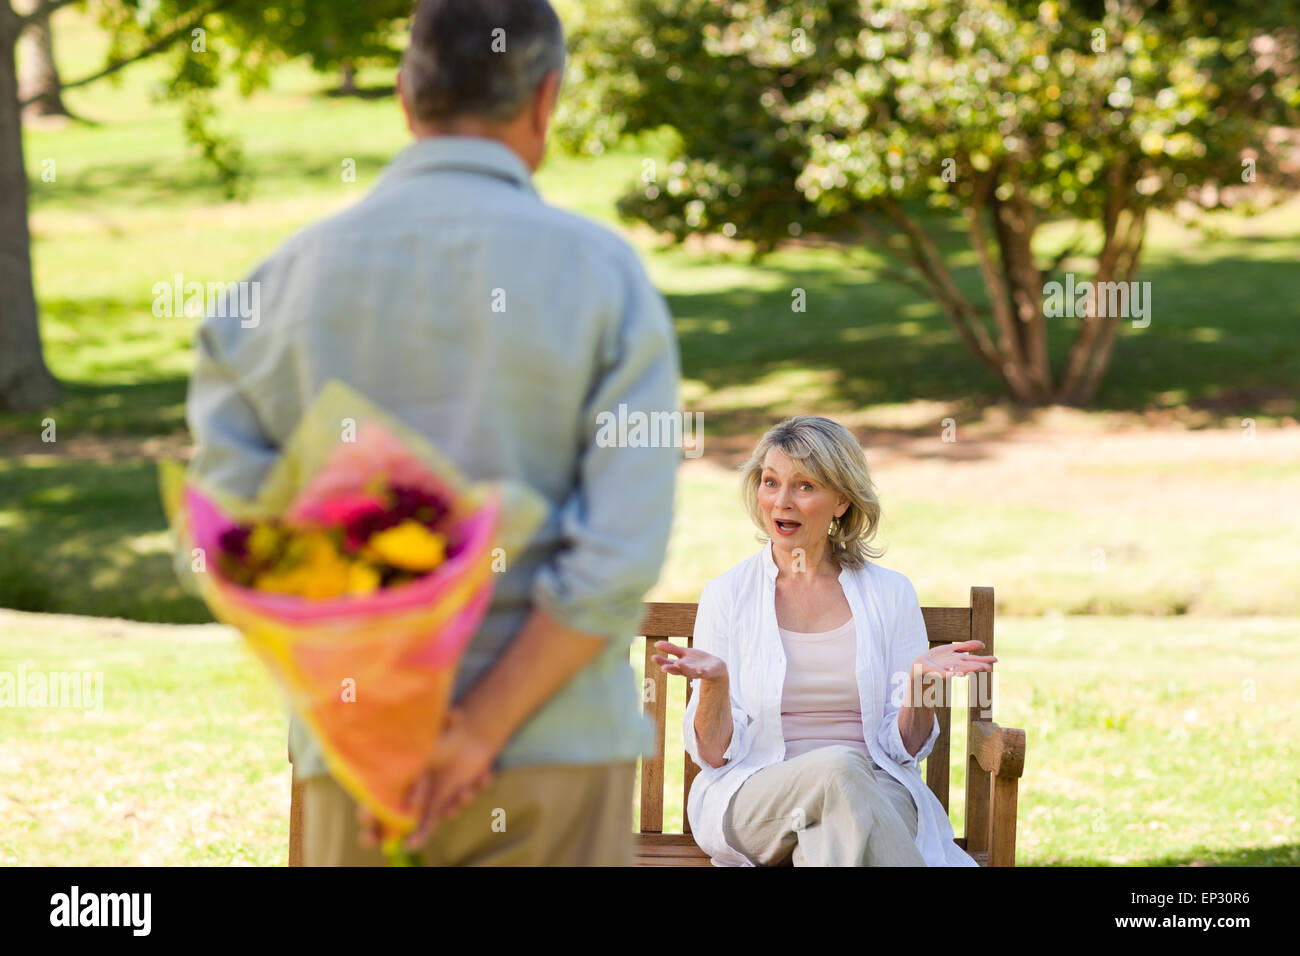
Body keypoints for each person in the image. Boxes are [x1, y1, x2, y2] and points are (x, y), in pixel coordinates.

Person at [179, 0, 681, 865]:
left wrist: (394, 721)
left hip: (361, 770)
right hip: (555, 757)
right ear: (545, 98)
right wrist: (476, 734)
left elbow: (232, 548)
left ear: (408, 99)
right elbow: (619, 552)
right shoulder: (604, 277)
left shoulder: (271, 289)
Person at [651, 416, 992, 866]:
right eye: (770, 483)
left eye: (805, 486)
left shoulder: (890, 594)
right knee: (838, 769)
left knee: (837, 822)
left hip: (877, 787)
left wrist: (919, 687)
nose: (781, 502)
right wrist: (715, 685)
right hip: (756, 793)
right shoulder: (728, 595)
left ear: (841, 501)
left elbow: (904, 750)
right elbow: (714, 755)